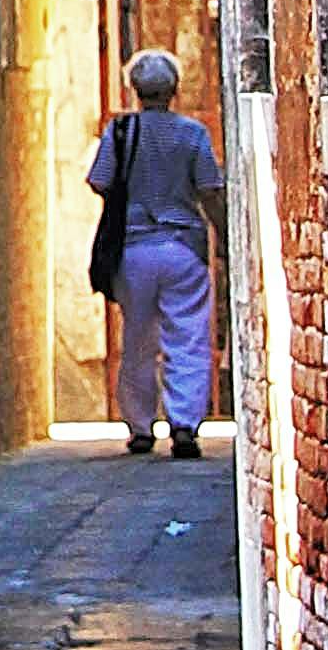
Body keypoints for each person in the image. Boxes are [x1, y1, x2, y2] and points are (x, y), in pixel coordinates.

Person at [86, 50, 225, 455]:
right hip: (183, 247)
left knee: (137, 338)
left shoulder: (120, 132)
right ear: (175, 90)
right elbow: (209, 190)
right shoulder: (193, 134)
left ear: (134, 89)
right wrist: (223, 233)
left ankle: (141, 426)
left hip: (133, 250)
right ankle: (184, 424)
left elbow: (100, 181)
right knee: (188, 337)